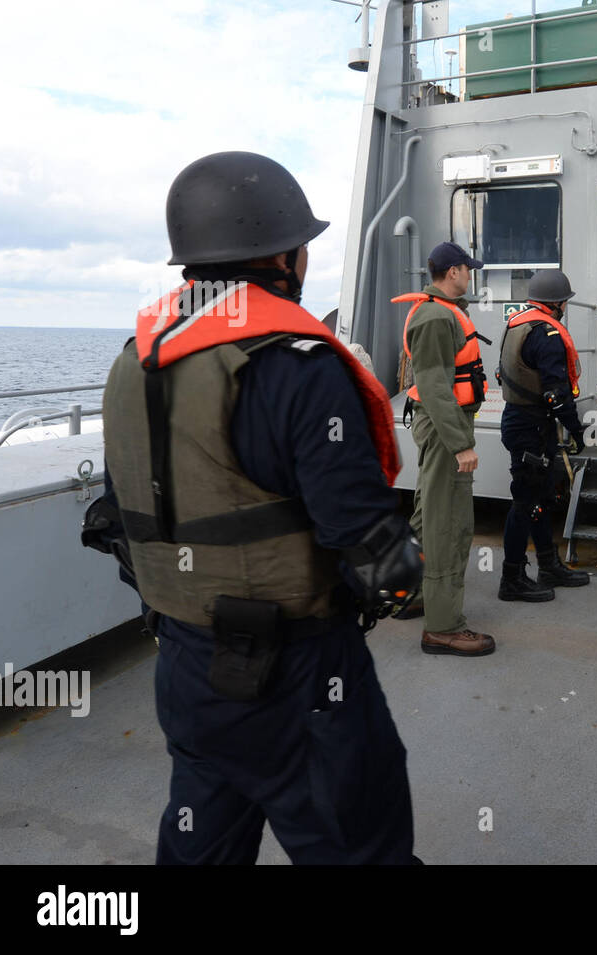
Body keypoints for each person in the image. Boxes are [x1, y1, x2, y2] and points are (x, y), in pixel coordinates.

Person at [89, 151, 420, 864]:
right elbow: (371, 551)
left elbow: (115, 520)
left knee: (200, 847)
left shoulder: (132, 362)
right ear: (285, 255)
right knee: (360, 847)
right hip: (300, 674)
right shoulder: (299, 362)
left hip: (185, 665)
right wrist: (402, 578)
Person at [392, 242, 495, 656]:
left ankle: (415, 595)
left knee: (427, 514)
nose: (470, 275)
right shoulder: (435, 317)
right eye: (467, 269)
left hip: (441, 428)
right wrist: (461, 444)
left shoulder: (442, 312)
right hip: (444, 431)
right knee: (447, 524)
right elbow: (435, 387)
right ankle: (443, 626)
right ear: (453, 272)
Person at [495, 269, 591, 600]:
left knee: (541, 498)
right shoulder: (546, 334)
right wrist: (577, 430)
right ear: (557, 303)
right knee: (525, 502)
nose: (565, 307)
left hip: (523, 420)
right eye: (564, 302)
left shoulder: (518, 324)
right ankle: (512, 578)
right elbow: (556, 393)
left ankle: (548, 565)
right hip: (532, 427)